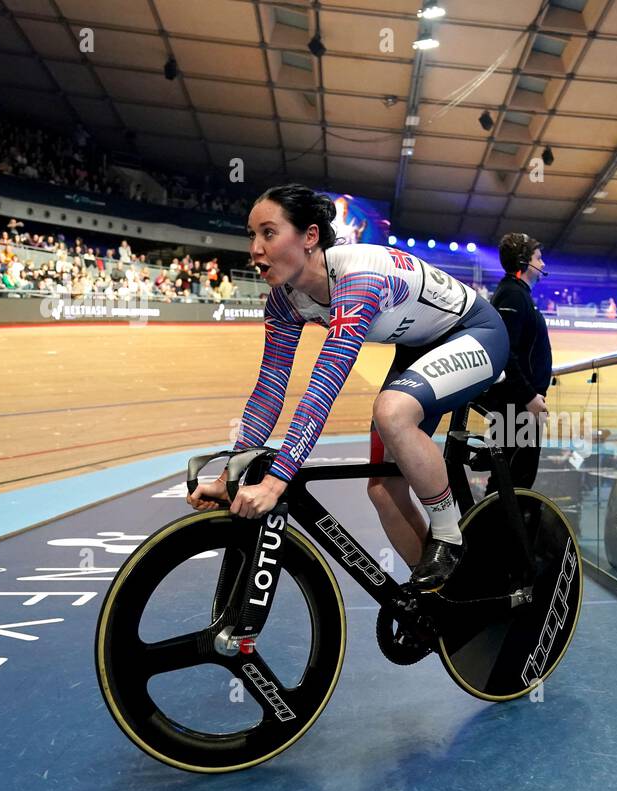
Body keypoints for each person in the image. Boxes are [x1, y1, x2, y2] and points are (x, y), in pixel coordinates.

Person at [186, 184, 510, 591]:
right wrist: (232, 470)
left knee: (392, 411)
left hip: (475, 331)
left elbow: (324, 384)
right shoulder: (284, 302)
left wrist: (275, 481)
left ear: (309, 237)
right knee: (383, 490)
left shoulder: (357, 277)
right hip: (416, 347)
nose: (254, 248)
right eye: (251, 235)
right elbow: (270, 388)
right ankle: (443, 599)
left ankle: (448, 536)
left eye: (268, 233)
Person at [480, 232, 553, 494]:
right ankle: (499, 533)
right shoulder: (512, 295)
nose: (542, 264)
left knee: (512, 476)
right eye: (538, 258)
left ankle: (499, 532)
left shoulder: (516, 293)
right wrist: (529, 396)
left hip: (519, 403)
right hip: (518, 405)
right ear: (525, 261)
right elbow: (504, 351)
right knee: (512, 479)